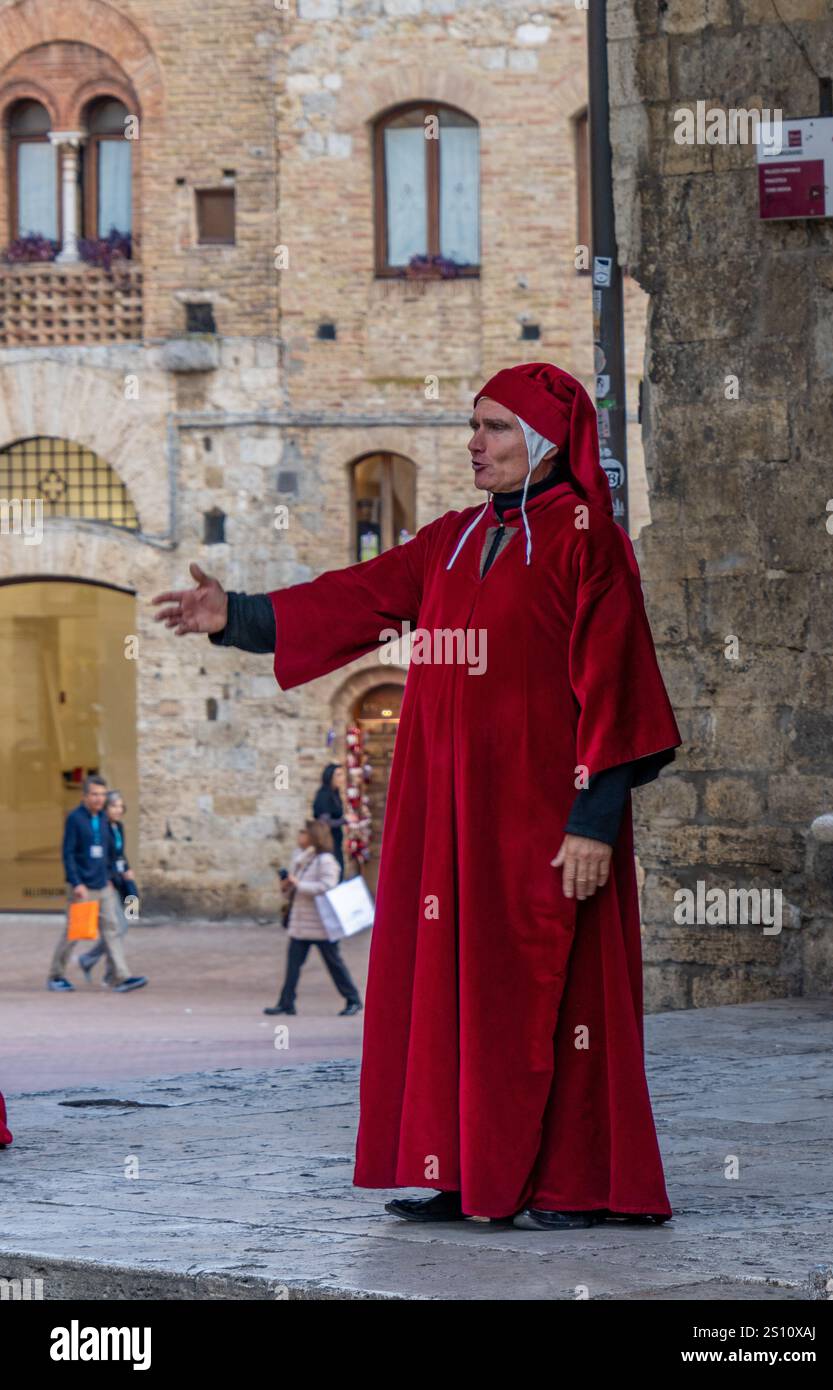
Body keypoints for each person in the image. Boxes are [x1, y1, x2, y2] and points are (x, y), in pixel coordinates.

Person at [153, 360, 681, 1230]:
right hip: (451, 827)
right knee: (452, 992)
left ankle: (579, 1182)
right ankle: (464, 1170)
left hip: (549, 822)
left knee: (566, 996)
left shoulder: (589, 541)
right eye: (472, 426)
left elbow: (618, 687)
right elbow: (351, 602)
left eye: (497, 427)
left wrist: (594, 822)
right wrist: (235, 616)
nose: (476, 443)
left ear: (547, 443)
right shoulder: (451, 540)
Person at [47, 775, 148, 994]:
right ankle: (56, 975)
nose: (98, 799)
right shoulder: (75, 819)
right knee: (75, 933)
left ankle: (121, 977)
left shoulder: (106, 820)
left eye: (102, 795)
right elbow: (69, 853)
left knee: (113, 929)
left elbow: (110, 853)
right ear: (84, 796)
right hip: (83, 887)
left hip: (104, 886)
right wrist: (76, 883)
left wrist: (110, 878)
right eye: (94, 794)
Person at [264, 821, 362, 1017]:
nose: (299, 837)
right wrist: (287, 886)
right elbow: (294, 891)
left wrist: (298, 884)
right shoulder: (304, 858)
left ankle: (353, 999)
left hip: (321, 924)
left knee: (334, 963)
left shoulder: (325, 860)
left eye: (303, 833)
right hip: (301, 922)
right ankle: (286, 1002)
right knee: (293, 965)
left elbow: (327, 886)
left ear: (313, 836)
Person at [78, 790, 139, 986]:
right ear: (106, 808)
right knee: (118, 927)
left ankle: (90, 960)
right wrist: (108, 876)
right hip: (107, 884)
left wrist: (127, 870)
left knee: (126, 922)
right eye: (114, 806)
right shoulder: (101, 828)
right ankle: (111, 974)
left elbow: (119, 854)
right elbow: (102, 858)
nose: (118, 810)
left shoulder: (118, 827)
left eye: (121, 806)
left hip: (123, 883)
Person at [313, 764, 346, 878]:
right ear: (330, 777)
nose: (341, 778)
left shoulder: (334, 794)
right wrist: (345, 820)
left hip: (335, 842)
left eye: (342, 774)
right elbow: (324, 822)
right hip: (328, 845)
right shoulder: (324, 795)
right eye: (338, 775)